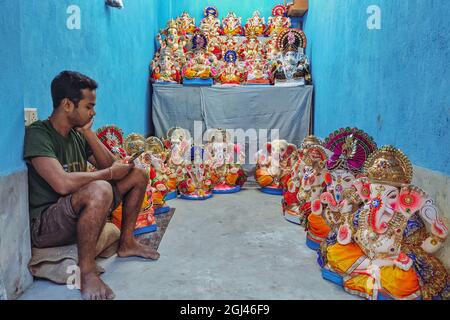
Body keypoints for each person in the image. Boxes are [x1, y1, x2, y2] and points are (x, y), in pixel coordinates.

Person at [24, 71, 159, 300]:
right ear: (67, 104)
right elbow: (62, 184)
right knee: (100, 187)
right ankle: (86, 273)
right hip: (47, 223)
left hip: (75, 209)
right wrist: (106, 174)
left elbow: (109, 165)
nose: (93, 112)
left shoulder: (76, 135)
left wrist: (88, 133)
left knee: (138, 175)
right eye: (89, 106)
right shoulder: (39, 133)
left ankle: (126, 243)